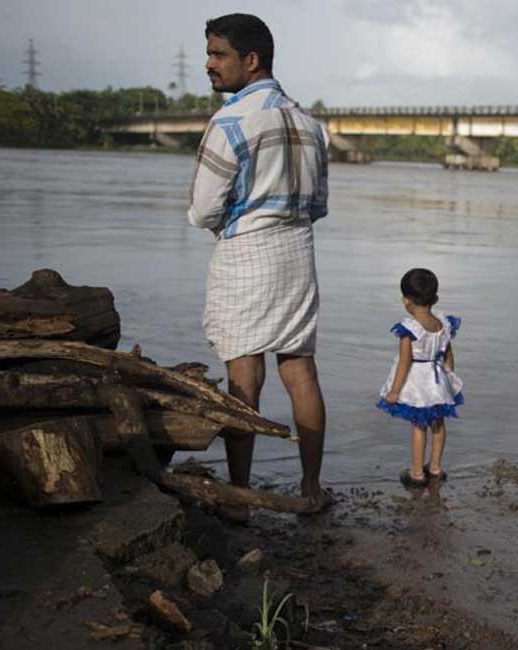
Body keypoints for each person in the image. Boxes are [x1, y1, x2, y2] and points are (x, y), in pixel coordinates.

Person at [187, 13, 330, 518]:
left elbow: (203, 210)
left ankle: (240, 497)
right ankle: (311, 489)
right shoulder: (312, 124)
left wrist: (234, 221)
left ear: (251, 60)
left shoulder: (228, 122)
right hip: (297, 253)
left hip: (246, 251)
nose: (208, 64)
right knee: (300, 372)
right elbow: (318, 206)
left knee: (244, 374)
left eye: (217, 54)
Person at [377, 269, 464, 488]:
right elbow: (449, 355)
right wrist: (448, 379)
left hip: (417, 383)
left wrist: (395, 391)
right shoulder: (444, 324)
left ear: (405, 300)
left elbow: (405, 363)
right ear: (434, 299)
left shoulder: (409, 329)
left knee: (419, 426)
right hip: (438, 381)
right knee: (438, 424)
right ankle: (435, 468)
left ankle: (417, 473)